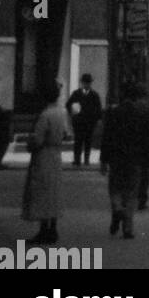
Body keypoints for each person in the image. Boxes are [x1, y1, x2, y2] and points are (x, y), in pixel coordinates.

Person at [100, 83, 149, 238]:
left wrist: (103, 159)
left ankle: (117, 208)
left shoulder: (113, 113)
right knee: (132, 192)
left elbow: (106, 137)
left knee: (115, 188)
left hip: (116, 157)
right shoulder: (145, 113)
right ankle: (128, 227)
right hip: (136, 158)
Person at [22, 82, 70, 244]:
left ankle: (44, 230)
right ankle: (53, 228)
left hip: (43, 155)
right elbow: (66, 134)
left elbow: (38, 139)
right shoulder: (61, 113)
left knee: (42, 191)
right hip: (56, 154)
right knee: (54, 191)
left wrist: (30, 144)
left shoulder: (45, 115)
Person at [65, 73, 102, 167]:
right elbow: (68, 104)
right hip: (79, 121)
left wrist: (95, 119)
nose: (87, 85)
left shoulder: (94, 95)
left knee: (88, 141)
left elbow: (98, 109)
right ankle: (77, 160)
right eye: (86, 83)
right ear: (82, 83)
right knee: (78, 141)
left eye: (89, 83)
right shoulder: (76, 94)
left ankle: (86, 159)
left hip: (89, 122)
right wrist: (73, 112)